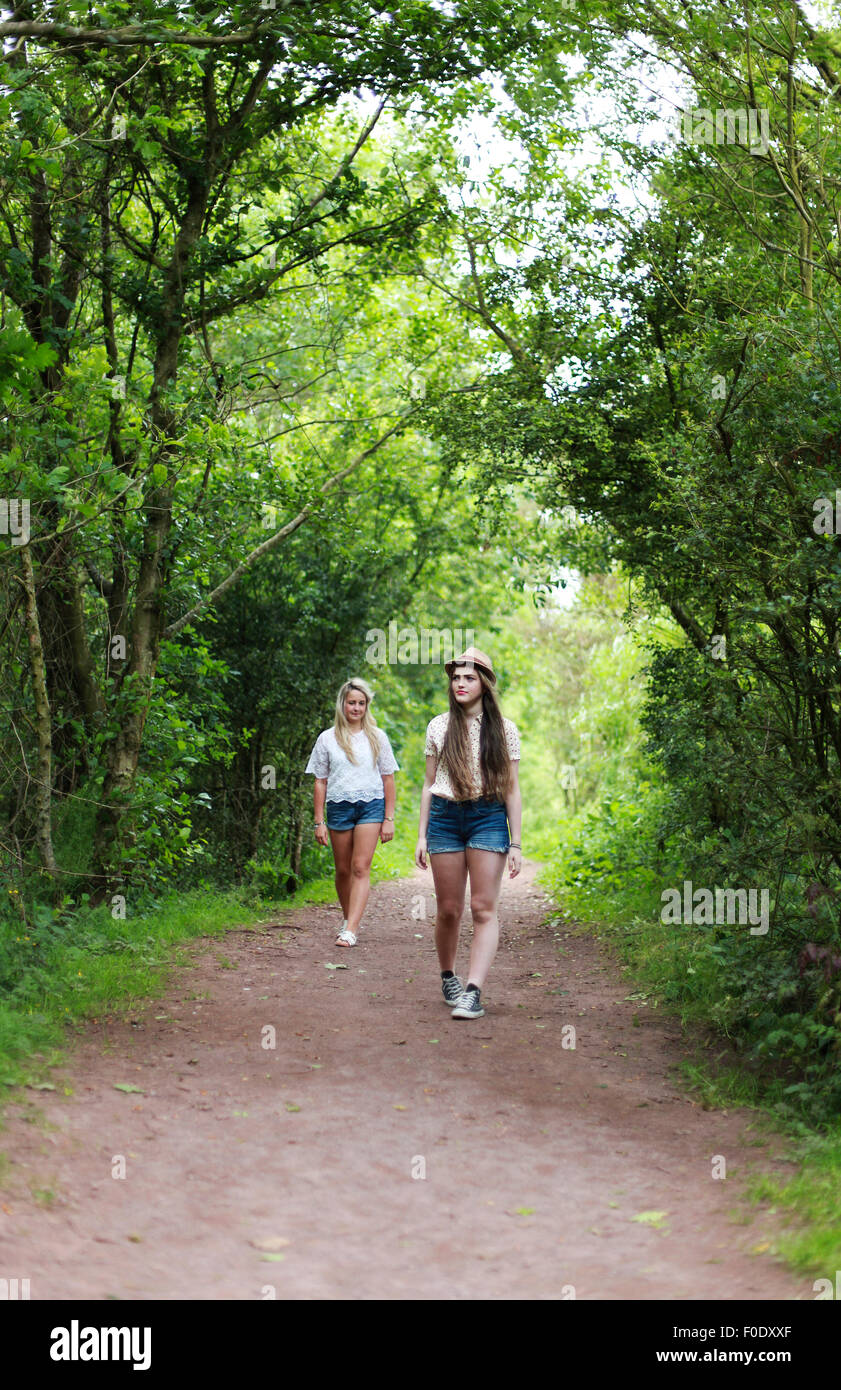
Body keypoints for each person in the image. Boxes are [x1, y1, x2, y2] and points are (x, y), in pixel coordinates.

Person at [415, 647, 521, 1019]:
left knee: (482, 907)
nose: (460, 683)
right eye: (456, 677)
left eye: (469, 677)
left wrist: (517, 842)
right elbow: (429, 784)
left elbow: (511, 789)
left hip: (488, 817)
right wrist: (422, 835)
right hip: (445, 817)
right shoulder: (438, 726)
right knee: (448, 910)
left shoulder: (505, 730)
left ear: (484, 684)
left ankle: (473, 991)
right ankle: (449, 976)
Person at [305, 678, 398, 947]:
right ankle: (349, 922)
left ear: (366, 706)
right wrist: (318, 821)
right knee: (343, 870)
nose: (356, 708)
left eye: (361, 703)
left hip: (371, 806)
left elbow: (388, 778)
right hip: (338, 807)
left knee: (360, 867)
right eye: (351, 703)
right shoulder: (327, 738)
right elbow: (320, 781)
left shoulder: (377, 737)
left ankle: (351, 929)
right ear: (342, 705)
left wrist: (388, 818)